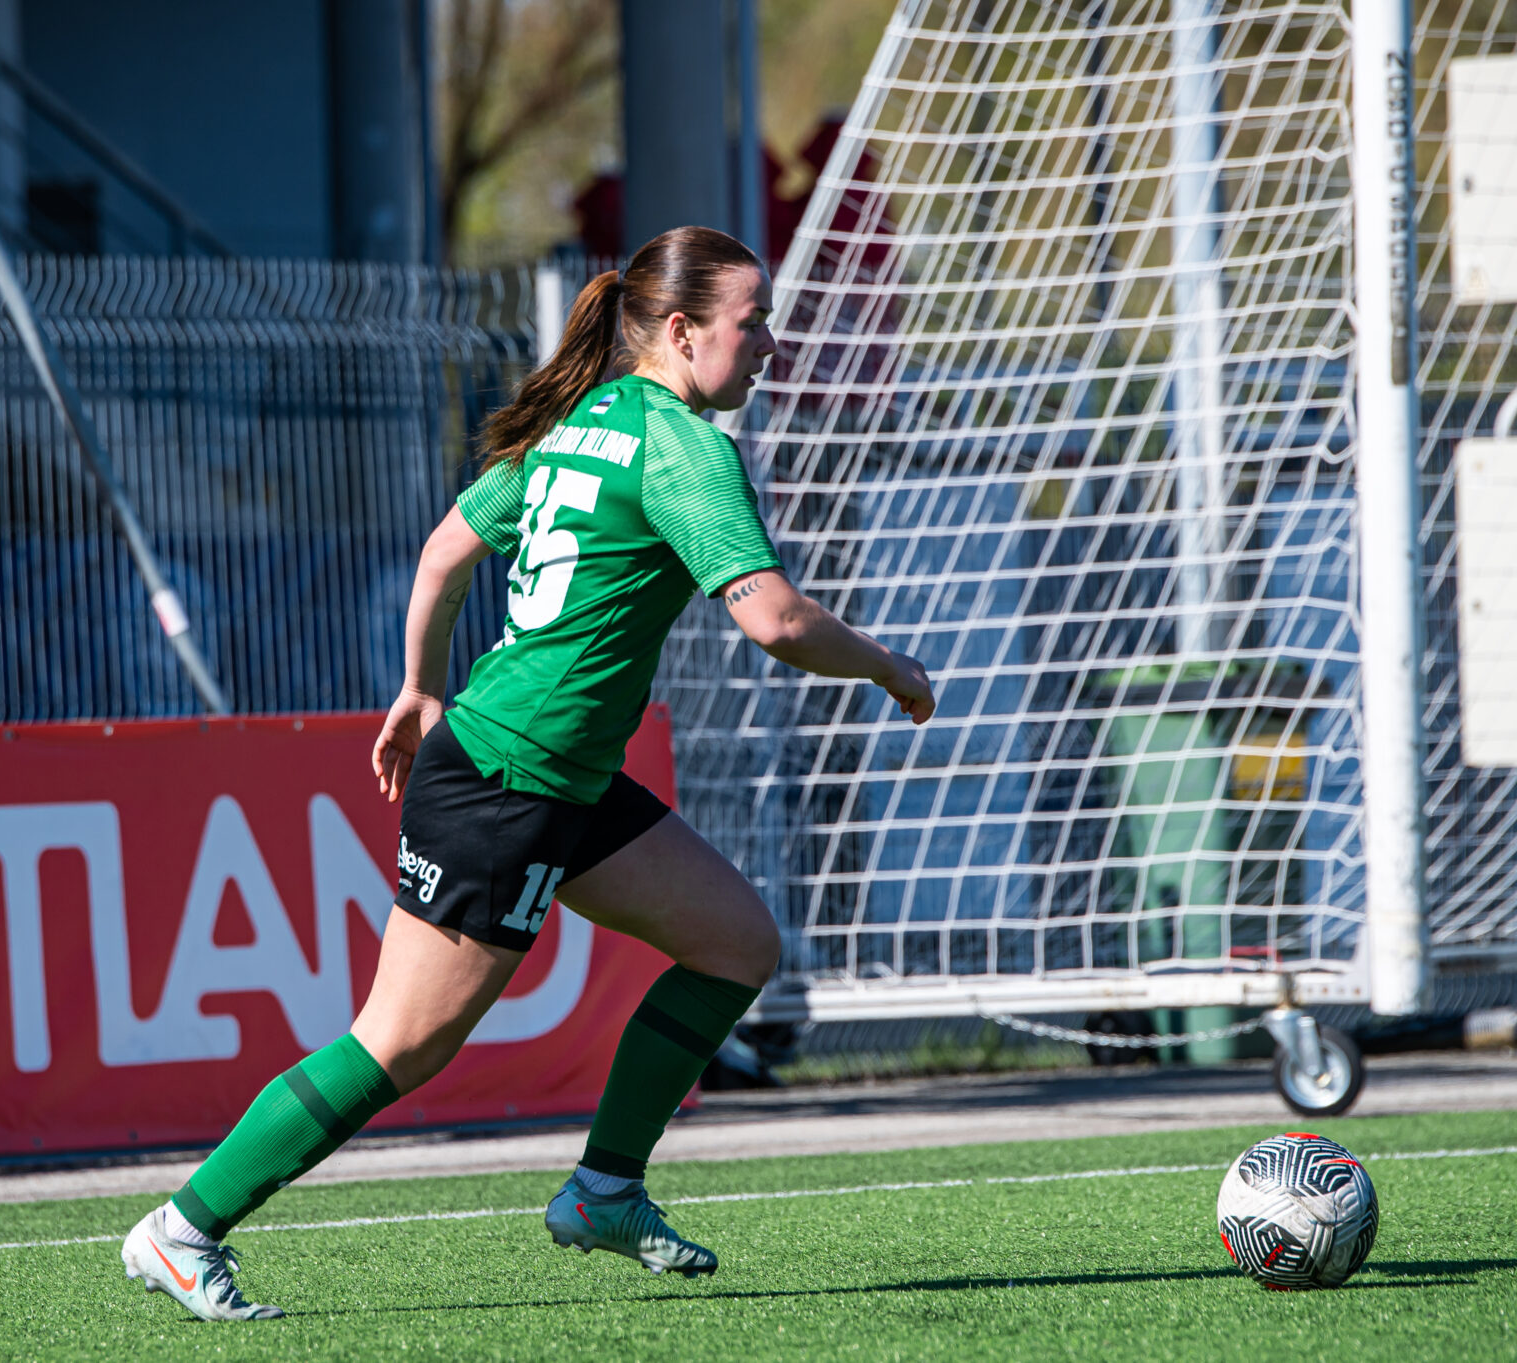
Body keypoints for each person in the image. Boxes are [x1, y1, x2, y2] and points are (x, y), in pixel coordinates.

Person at [121, 225, 935, 1321]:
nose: (771, 345)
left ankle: (604, 1188)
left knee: (735, 942)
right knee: (401, 1042)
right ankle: (182, 1228)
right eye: (755, 324)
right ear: (684, 331)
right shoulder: (678, 447)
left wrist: (416, 686)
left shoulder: (581, 422)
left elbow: (443, 552)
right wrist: (889, 668)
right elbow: (774, 621)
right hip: (510, 776)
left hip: (563, 771)